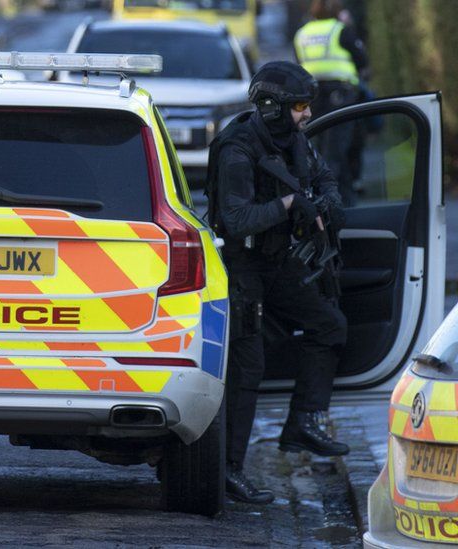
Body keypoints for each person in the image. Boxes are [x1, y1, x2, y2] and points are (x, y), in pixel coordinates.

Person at [206, 61, 349, 505]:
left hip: (278, 260)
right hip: (243, 264)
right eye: (301, 106)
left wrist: (325, 201)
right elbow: (234, 219)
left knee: (329, 325)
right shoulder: (237, 148)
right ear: (273, 108)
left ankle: (304, 423)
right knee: (248, 367)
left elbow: (324, 179)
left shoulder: (295, 141)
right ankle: (228, 469)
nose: (307, 114)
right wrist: (289, 204)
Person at [294, 0, 369, 205]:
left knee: (318, 147)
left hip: (312, 97)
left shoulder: (302, 33)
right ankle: (329, 203)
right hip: (341, 96)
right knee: (335, 151)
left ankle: (347, 202)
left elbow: (299, 64)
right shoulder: (340, 30)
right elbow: (362, 60)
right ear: (337, 11)